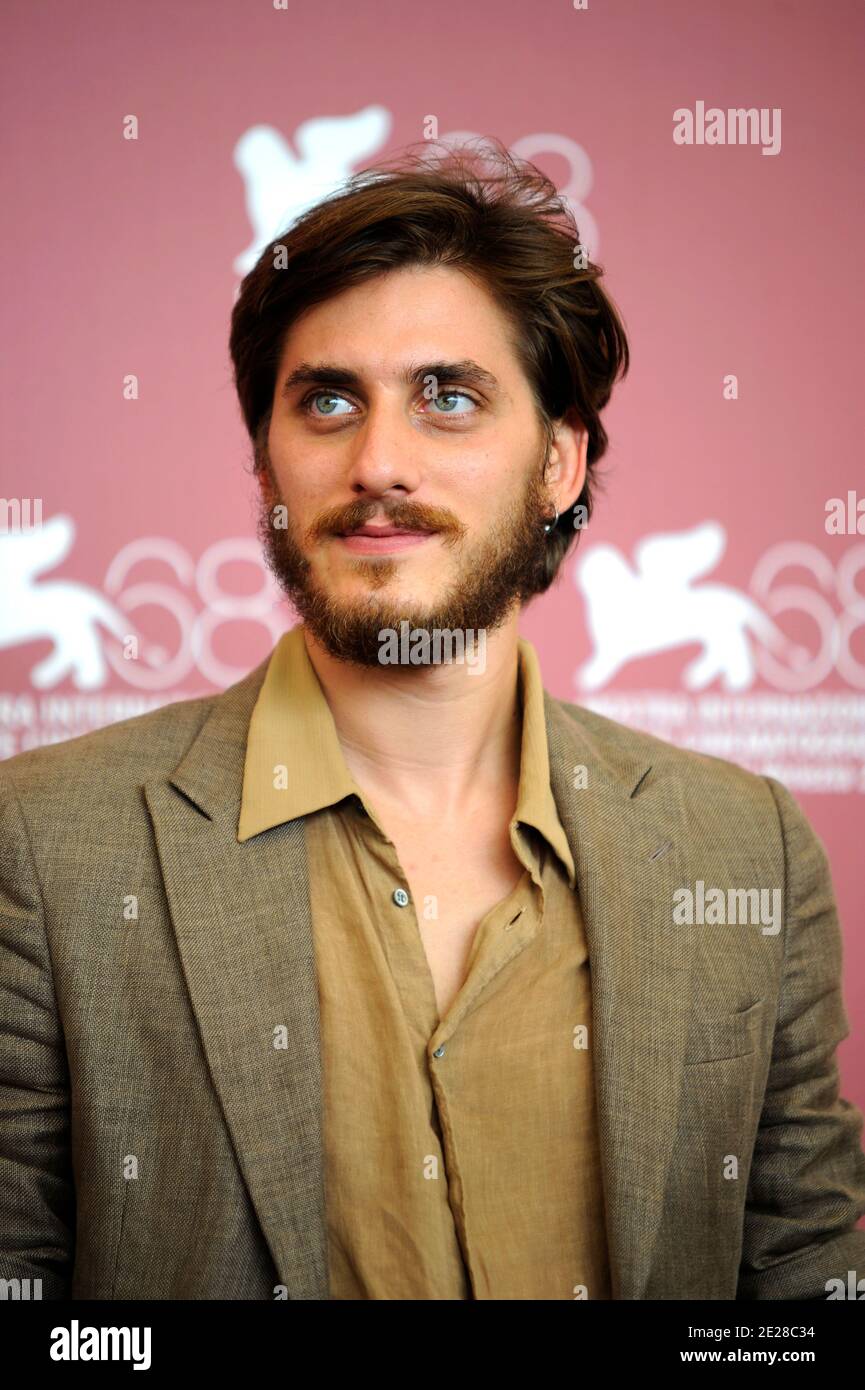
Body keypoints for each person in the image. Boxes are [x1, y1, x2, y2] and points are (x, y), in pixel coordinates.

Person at [1, 139, 863, 1300]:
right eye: (328, 401)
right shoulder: (46, 844)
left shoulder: (743, 847)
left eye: (448, 398)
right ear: (266, 464)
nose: (378, 462)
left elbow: (804, 1286)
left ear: (558, 465)